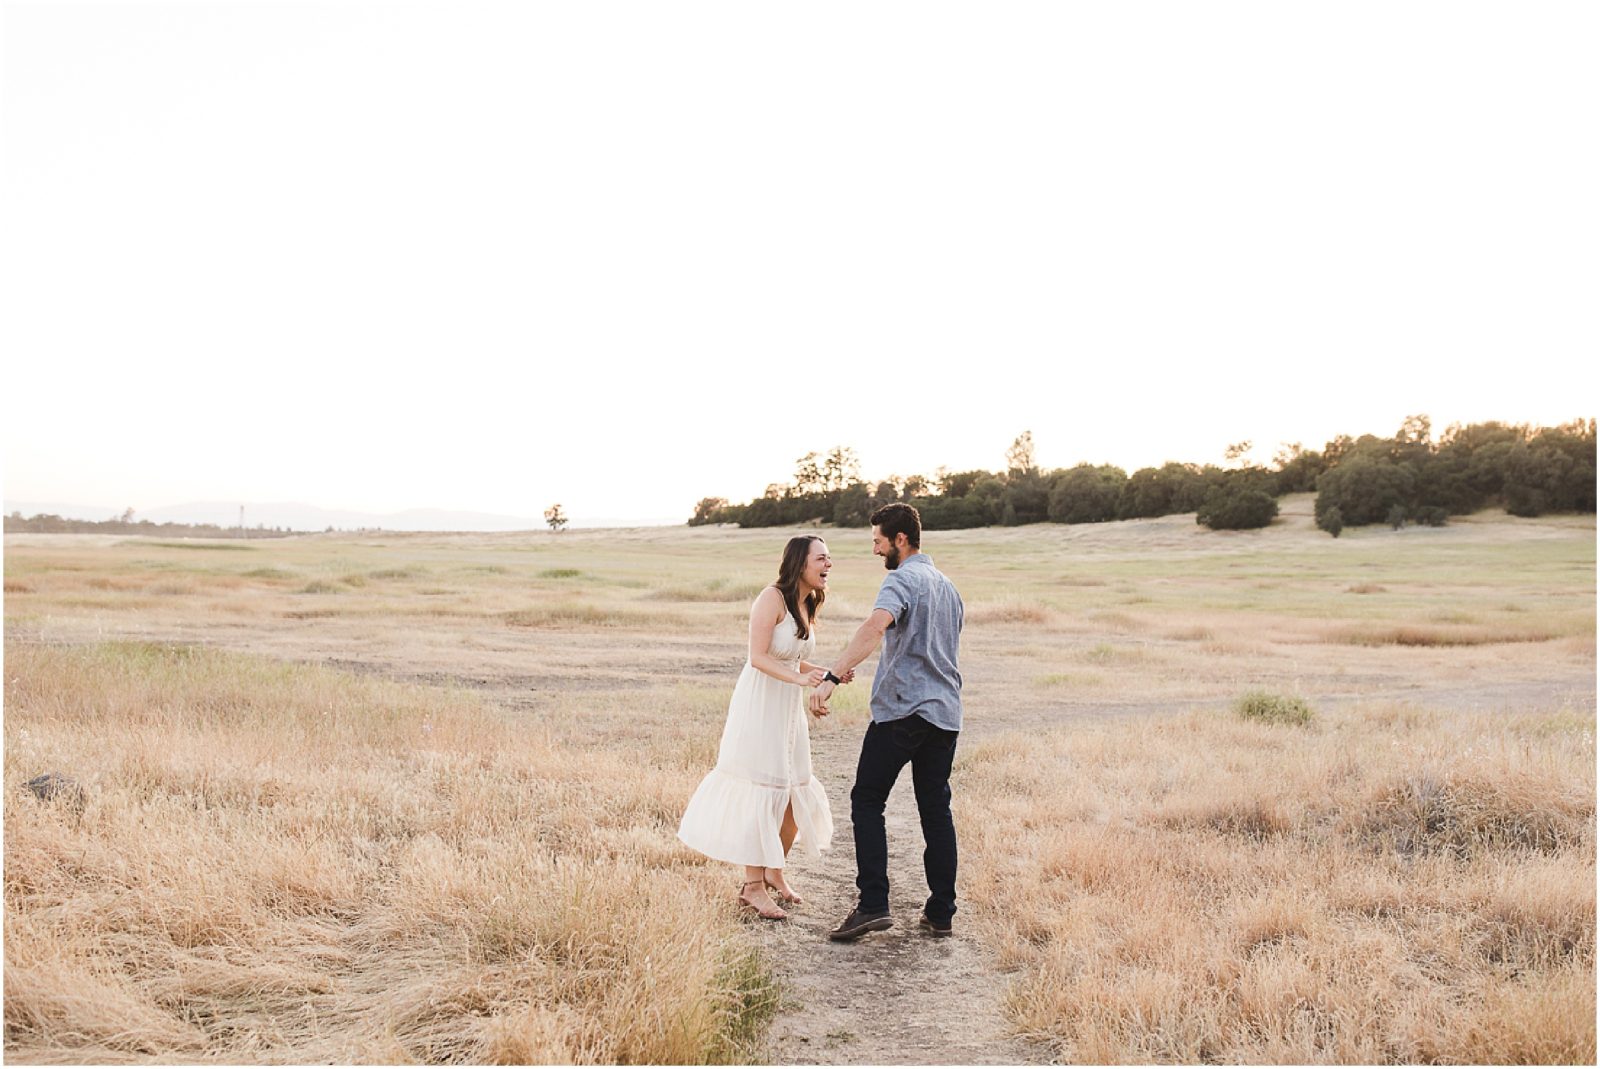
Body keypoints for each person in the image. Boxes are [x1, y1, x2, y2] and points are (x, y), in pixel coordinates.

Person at [809, 502, 963, 941]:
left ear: (900, 539)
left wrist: (833, 675)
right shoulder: (948, 586)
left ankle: (873, 903)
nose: (875, 550)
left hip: (903, 711)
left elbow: (876, 627)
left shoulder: (902, 580)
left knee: (866, 800)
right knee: (935, 810)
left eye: (878, 541)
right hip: (945, 715)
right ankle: (941, 912)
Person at [677, 535, 850, 921]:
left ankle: (774, 870)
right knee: (764, 787)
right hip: (760, 704)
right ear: (800, 563)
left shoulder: (807, 602)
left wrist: (822, 673)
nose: (829, 565)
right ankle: (751, 887)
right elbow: (757, 658)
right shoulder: (770, 598)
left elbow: (792, 657)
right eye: (822, 558)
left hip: (787, 709)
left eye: (829, 559)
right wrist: (800, 680)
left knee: (793, 790)